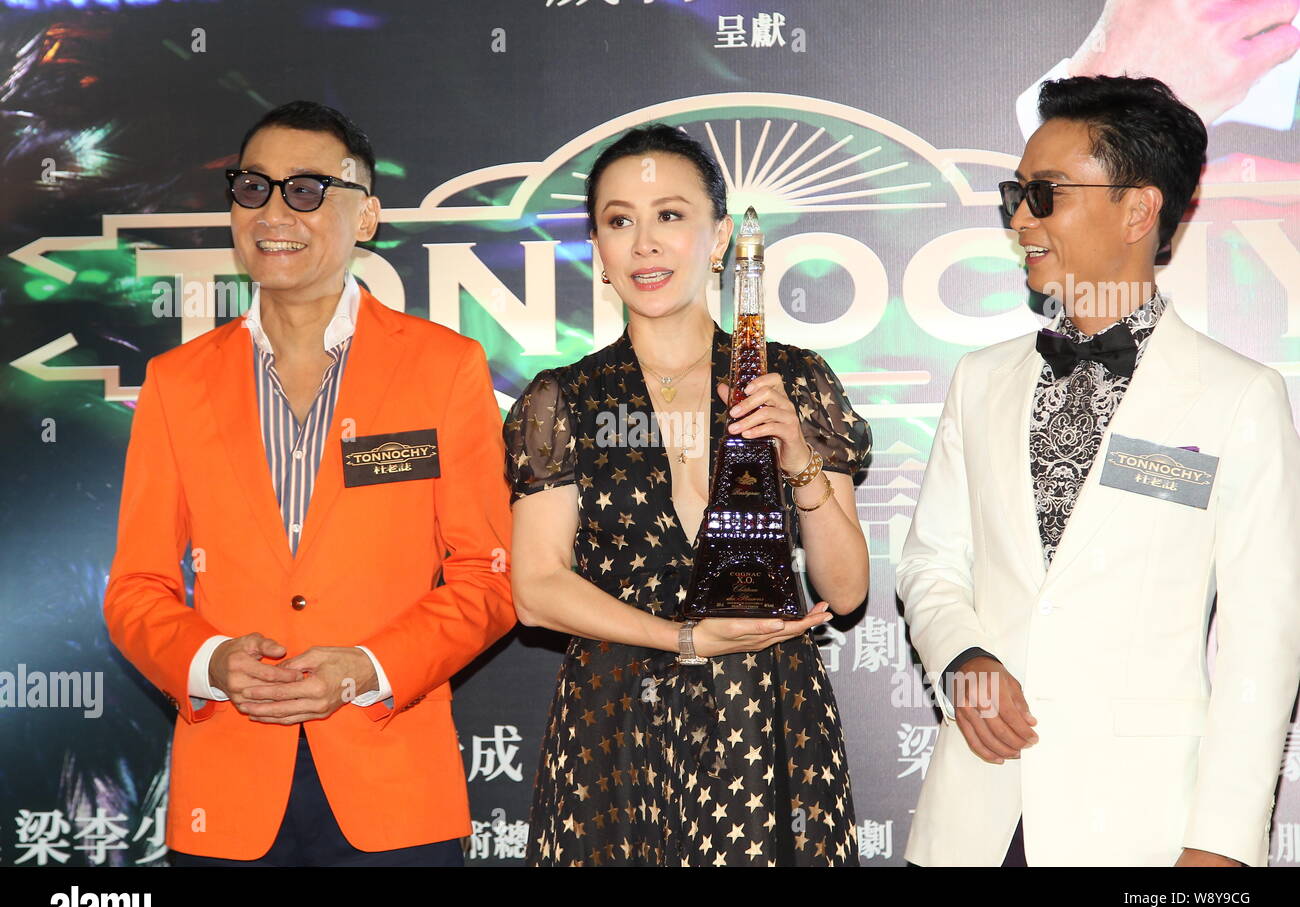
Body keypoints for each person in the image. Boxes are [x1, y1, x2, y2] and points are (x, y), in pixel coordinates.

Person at [899, 75, 1300, 866]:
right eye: (1015, 193)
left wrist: (1221, 846)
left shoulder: (1239, 397)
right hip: (972, 816)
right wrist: (962, 658)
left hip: (1141, 827)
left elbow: (1264, 637)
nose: (1020, 218)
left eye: (1044, 194)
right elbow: (929, 562)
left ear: (1139, 210)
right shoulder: (981, 380)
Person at [103, 101, 515, 865]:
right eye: (253, 187)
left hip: (393, 784)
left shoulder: (442, 368)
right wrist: (210, 663)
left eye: (307, 190)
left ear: (367, 217)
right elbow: (136, 587)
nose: (273, 211)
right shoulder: (176, 382)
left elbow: (489, 578)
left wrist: (369, 668)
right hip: (227, 791)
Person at [505, 124, 872, 866]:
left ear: (719, 239)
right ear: (599, 253)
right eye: (619, 222)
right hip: (612, 726)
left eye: (670, 215)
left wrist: (798, 459)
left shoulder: (792, 381)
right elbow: (536, 590)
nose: (645, 244)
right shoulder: (564, 400)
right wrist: (682, 637)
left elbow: (847, 588)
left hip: (766, 719)